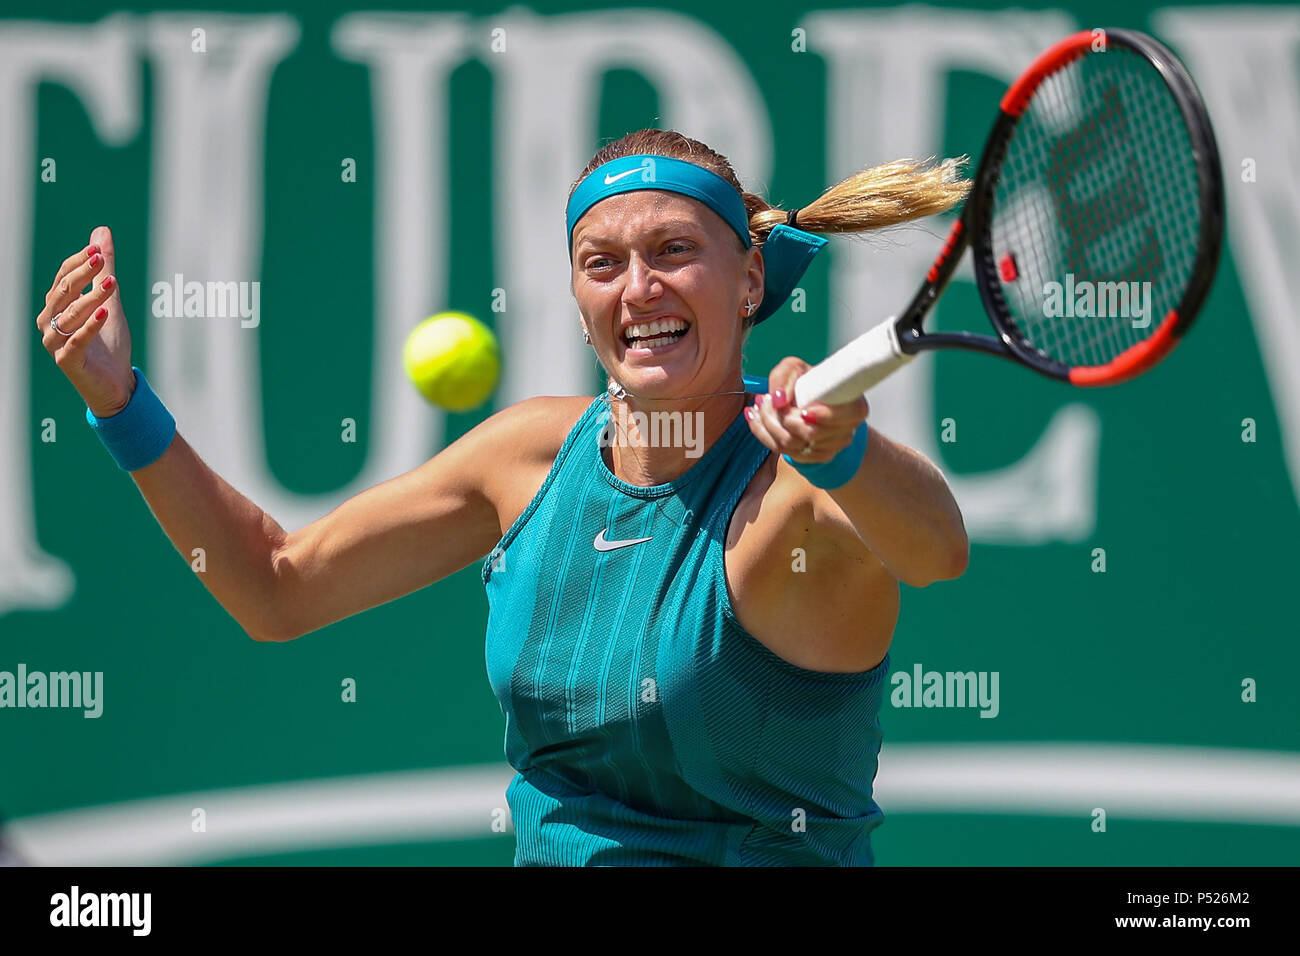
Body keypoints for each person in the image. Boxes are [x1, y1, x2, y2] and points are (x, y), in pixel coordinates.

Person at [36, 128, 970, 866]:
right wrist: (120, 402)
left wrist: (849, 450)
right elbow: (274, 585)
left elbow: (936, 549)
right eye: (601, 263)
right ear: (576, 300)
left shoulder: (796, 485)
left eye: (675, 251)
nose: (639, 289)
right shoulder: (527, 453)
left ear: (750, 279)